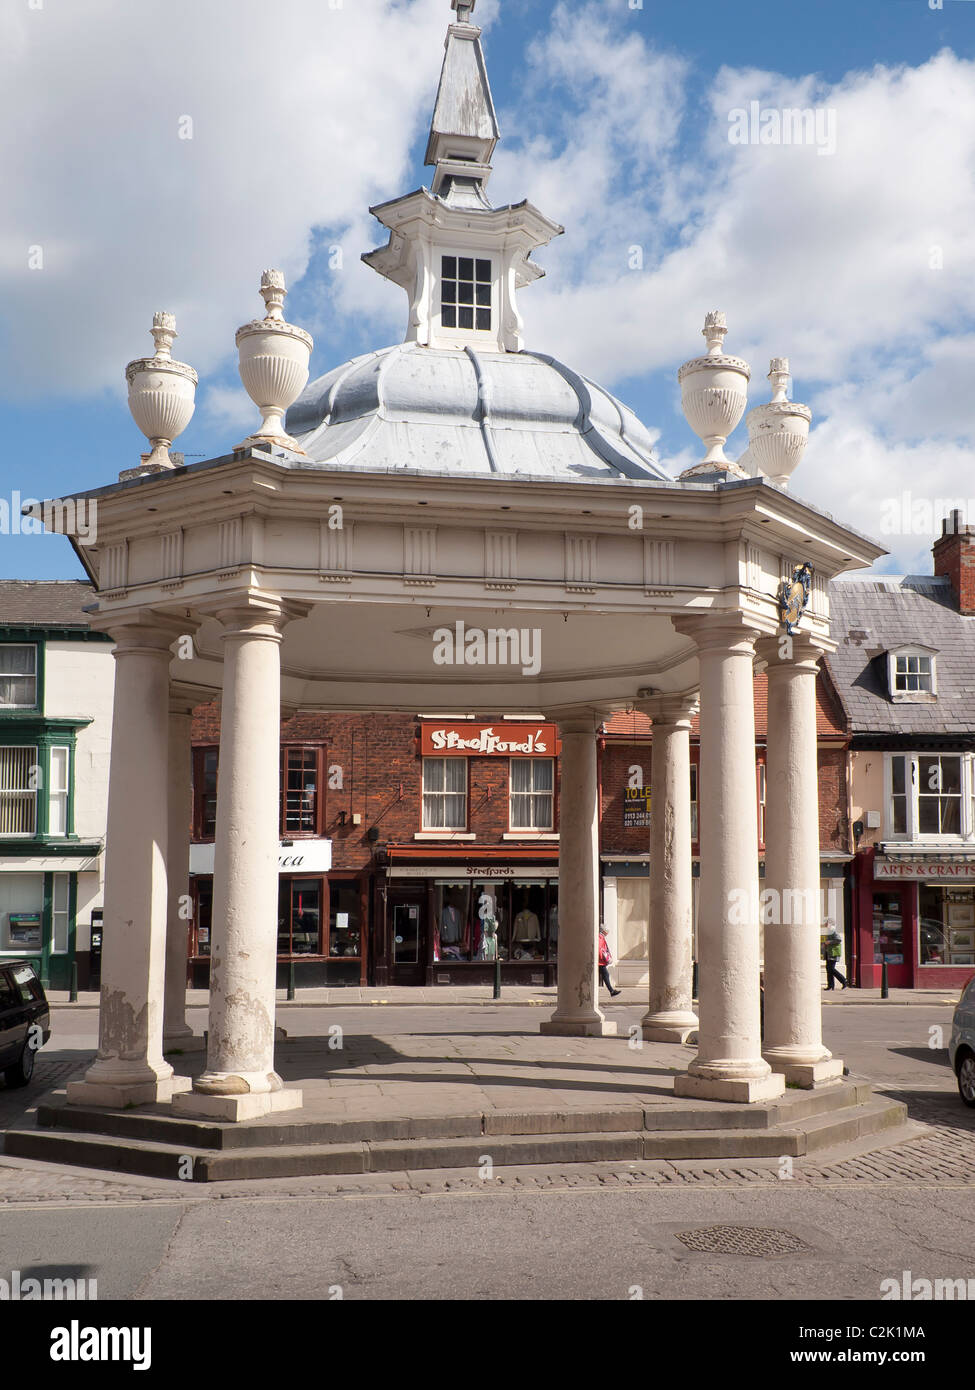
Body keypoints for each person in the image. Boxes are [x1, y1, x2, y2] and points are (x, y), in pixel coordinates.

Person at [822, 925, 848, 990]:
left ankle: (844, 980)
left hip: (833, 953)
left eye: (827, 924)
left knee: (831, 969)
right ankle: (830, 985)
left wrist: (829, 942)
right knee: (829, 969)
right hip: (829, 953)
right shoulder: (829, 932)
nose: (825, 926)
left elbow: (839, 939)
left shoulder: (833, 931)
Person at [598, 926, 620, 997]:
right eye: (607, 931)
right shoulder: (600, 938)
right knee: (606, 975)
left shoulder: (601, 937)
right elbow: (600, 949)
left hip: (600, 961)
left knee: (605, 975)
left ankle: (611, 991)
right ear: (604, 931)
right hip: (600, 961)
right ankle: (611, 991)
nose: (607, 933)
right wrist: (604, 958)